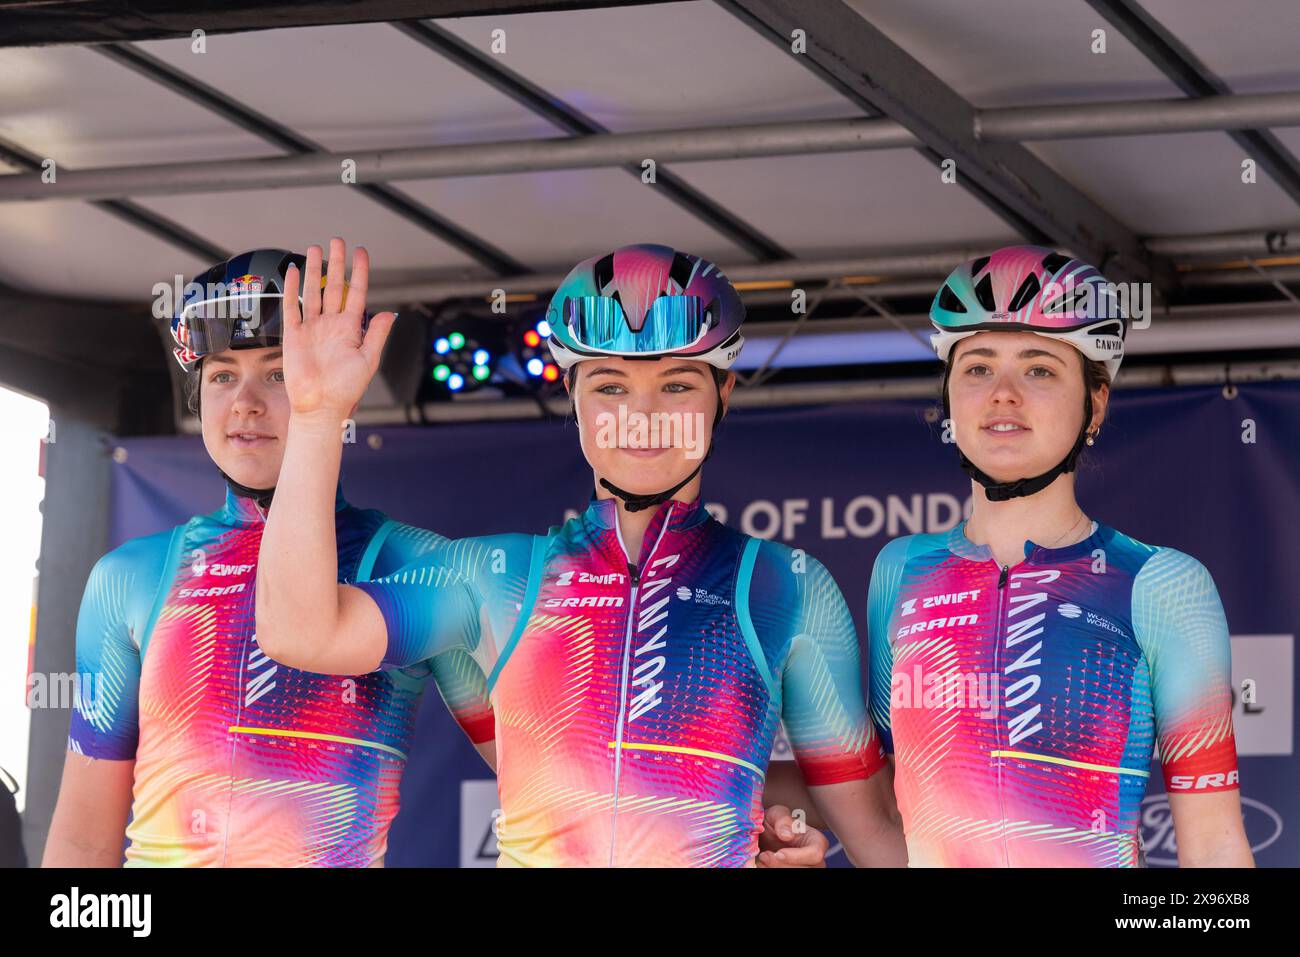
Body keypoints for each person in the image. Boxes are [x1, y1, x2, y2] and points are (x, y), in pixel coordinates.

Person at [255, 238, 907, 867]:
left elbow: (872, 827)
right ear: (573, 397)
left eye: (677, 385)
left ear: (723, 396)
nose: (643, 414)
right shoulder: (495, 577)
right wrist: (316, 415)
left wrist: (775, 822)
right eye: (611, 386)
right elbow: (298, 632)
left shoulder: (788, 586)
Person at [774, 245, 1253, 867]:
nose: (1002, 394)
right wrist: (766, 822)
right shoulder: (902, 570)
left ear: (1095, 406)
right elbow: (887, 802)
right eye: (977, 367)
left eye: (1039, 369)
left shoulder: (1161, 584)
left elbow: (1215, 847)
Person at [41, 249, 491, 867]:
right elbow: (82, 840)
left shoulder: (415, 565)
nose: (246, 402)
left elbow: (557, 792)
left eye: (279, 374)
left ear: (344, 389)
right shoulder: (130, 577)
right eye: (223, 375)